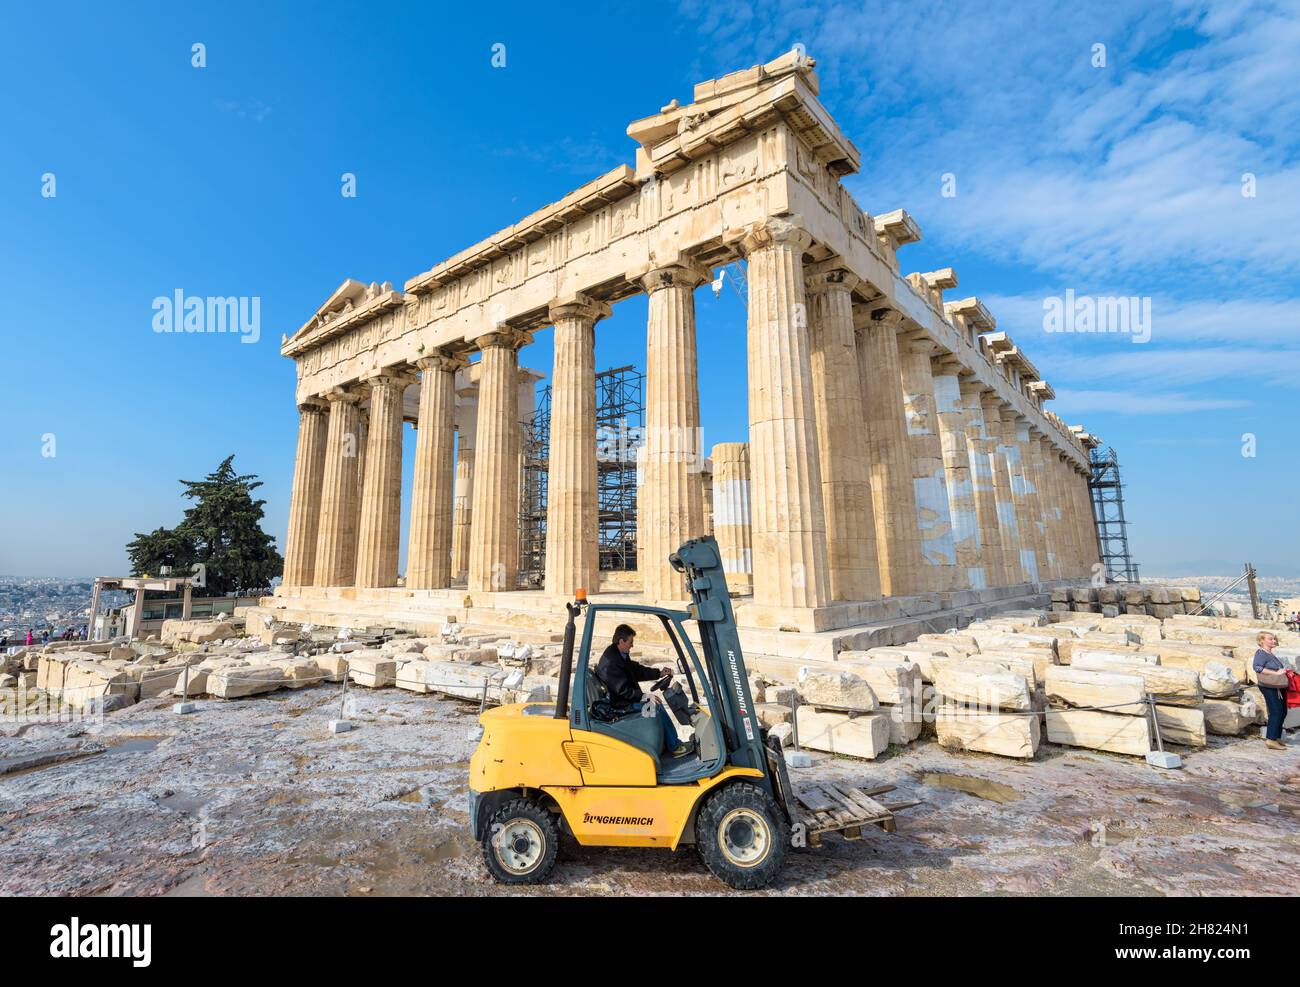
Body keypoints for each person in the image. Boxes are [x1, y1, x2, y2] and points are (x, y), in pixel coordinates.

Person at [596, 623, 687, 757]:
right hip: (619, 705)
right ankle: (675, 746)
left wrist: (658, 673)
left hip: (622, 699)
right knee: (655, 707)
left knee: (656, 704)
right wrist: (645, 697)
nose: (632, 645)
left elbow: (636, 671)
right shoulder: (611, 664)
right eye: (631, 642)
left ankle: (668, 744)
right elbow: (624, 691)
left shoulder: (619, 654)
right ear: (621, 641)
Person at [1254, 631, 1291, 751]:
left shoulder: (1269, 654)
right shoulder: (1261, 653)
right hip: (1269, 686)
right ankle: (1271, 739)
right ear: (1262, 641)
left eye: (1274, 639)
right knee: (1276, 712)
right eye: (1270, 639)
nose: (1273, 641)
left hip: (1277, 686)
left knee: (1282, 711)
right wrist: (1276, 673)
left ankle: (1276, 737)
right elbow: (1257, 667)